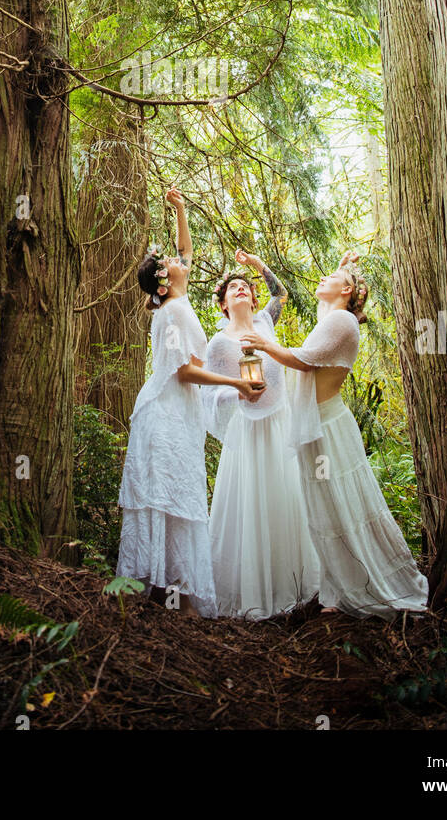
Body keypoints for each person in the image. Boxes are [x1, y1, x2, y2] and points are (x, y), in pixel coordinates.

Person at [240, 252, 428, 621]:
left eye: (331, 277)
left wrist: (264, 346)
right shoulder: (335, 317)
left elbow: (306, 359)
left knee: (341, 504)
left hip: (328, 427)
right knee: (323, 508)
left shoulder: (343, 321)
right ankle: (337, 589)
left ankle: (364, 586)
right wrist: (343, 266)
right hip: (318, 425)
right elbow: (322, 325)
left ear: (346, 290)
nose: (320, 281)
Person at [116, 188, 264, 618]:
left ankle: (169, 595)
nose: (183, 261)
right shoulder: (175, 313)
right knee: (169, 496)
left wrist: (180, 209)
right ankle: (171, 599)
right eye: (174, 264)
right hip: (166, 414)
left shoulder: (175, 304)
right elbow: (185, 372)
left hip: (176, 413)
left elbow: (185, 251)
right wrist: (235, 381)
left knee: (174, 496)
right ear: (166, 279)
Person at [202, 248, 323, 619]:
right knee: (250, 503)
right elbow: (207, 393)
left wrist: (256, 265)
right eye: (232, 288)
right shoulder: (219, 343)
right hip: (248, 431)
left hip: (279, 425)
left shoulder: (266, 324)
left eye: (245, 287)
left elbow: (281, 293)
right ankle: (251, 594)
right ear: (223, 304)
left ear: (253, 300)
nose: (240, 289)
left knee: (285, 499)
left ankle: (297, 586)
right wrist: (235, 389)